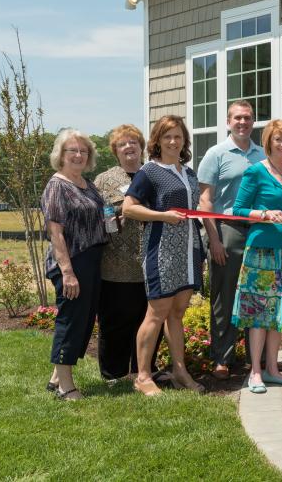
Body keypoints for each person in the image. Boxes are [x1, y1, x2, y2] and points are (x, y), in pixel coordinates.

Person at [123, 115, 205, 396]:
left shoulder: (190, 174)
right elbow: (128, 208)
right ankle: (143, 376)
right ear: (157, 140)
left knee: (178, 313)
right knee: (156, 312)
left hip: (189, 251)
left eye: (178, 136)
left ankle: (179, 369)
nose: (173, 141)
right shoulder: (149, 171)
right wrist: (162, 216)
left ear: (184, 141)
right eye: (167, 136)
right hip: (162, 251)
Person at [232, 119, 282, 394]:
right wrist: (263, 214)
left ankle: (274, 370)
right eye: (278, 139)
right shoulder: (255, 172)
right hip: (262, 252)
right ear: (268, 143)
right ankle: (256, 372)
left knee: (279, 313)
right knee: (259, 313)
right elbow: (238, 210)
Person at [198, 100, 265, 380]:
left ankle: (257, 360)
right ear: (228, 122)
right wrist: (214, 239)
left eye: (247, 118)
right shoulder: (216, 154)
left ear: (253, 121)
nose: (243, 122)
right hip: (227, 230)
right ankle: (222, 358)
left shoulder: (262, 155)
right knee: (225, 295)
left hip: (260, 231)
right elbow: (205, 200)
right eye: (237, 118)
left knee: (258, 294)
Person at [41, 129, 108, 400]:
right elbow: (55, 232)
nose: (79, 155)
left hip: (91, 260)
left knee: (83, 319)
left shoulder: (87, 184)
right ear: (61, 155)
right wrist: (67, 272)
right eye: (73, 151)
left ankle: (57, 376)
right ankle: (65, 387)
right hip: (71, 262)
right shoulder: (58, 185)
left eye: (83, 151)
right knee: (70, 320)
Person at [94, 124, 162, 382]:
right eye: (123, 143)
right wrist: (117, 215)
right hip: (116, 263)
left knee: (149, 319)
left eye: (133, 142)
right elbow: (100, 217)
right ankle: (114, 373)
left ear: (141, 146)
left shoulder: (153, 174)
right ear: (115, 150)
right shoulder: (105, 180)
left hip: (152, 260)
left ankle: (144, 370)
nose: (129, 147)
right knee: (115, 321)